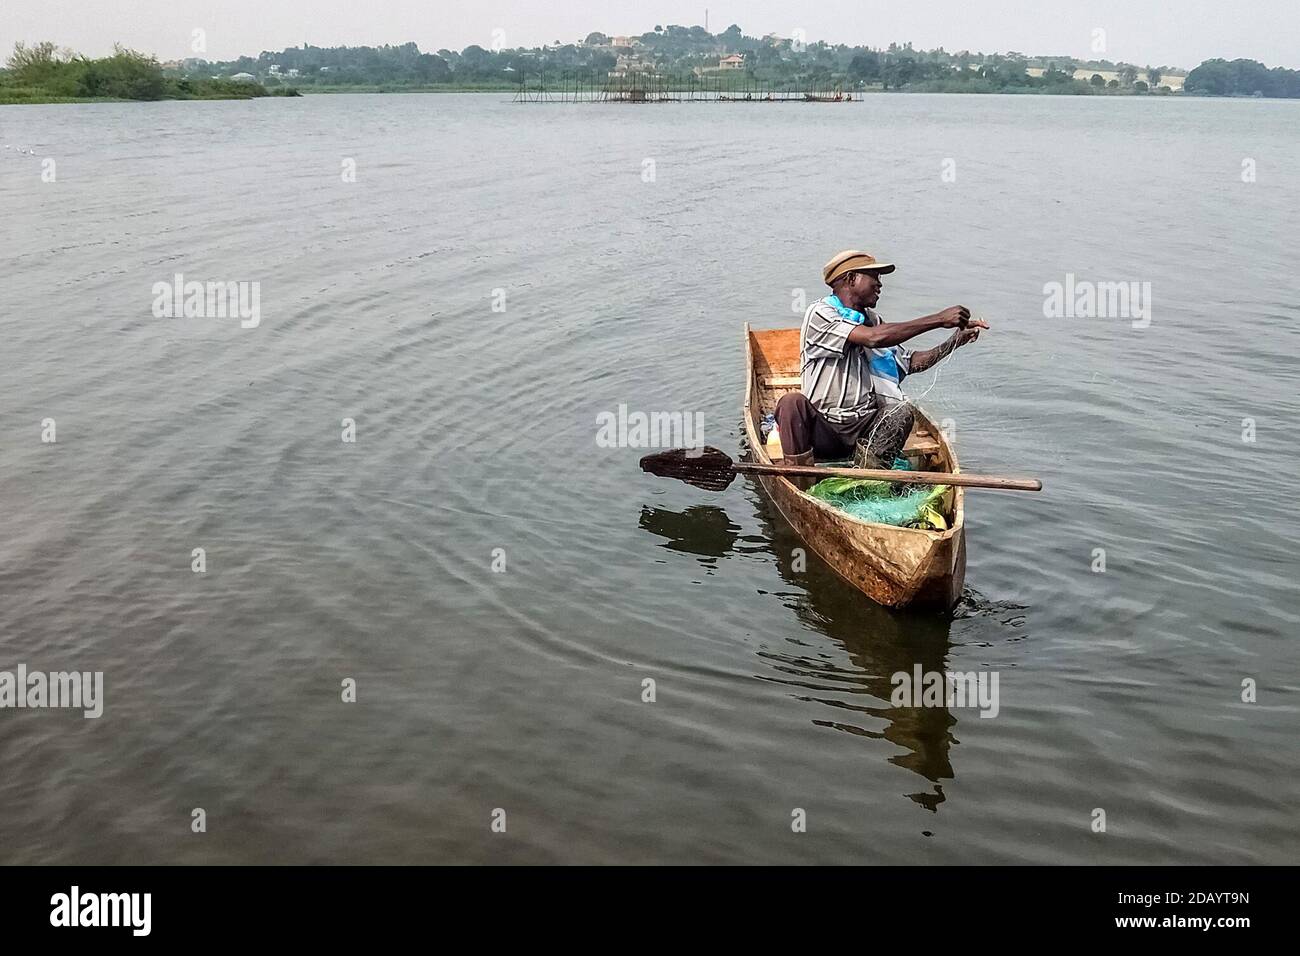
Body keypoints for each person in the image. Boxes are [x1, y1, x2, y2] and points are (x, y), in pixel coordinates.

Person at [774, 249, 989, 474]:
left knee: (901, 412)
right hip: (822, 430)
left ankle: (870, 477)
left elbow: (910, 362)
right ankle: (799, 478)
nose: (880, 284)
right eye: (874, 277)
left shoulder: (873, 321)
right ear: (851, 279)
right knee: (791, 403)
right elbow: (874, 339)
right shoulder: (820, 313)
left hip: (863, 430)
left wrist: (954, 342)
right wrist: (938, 319)